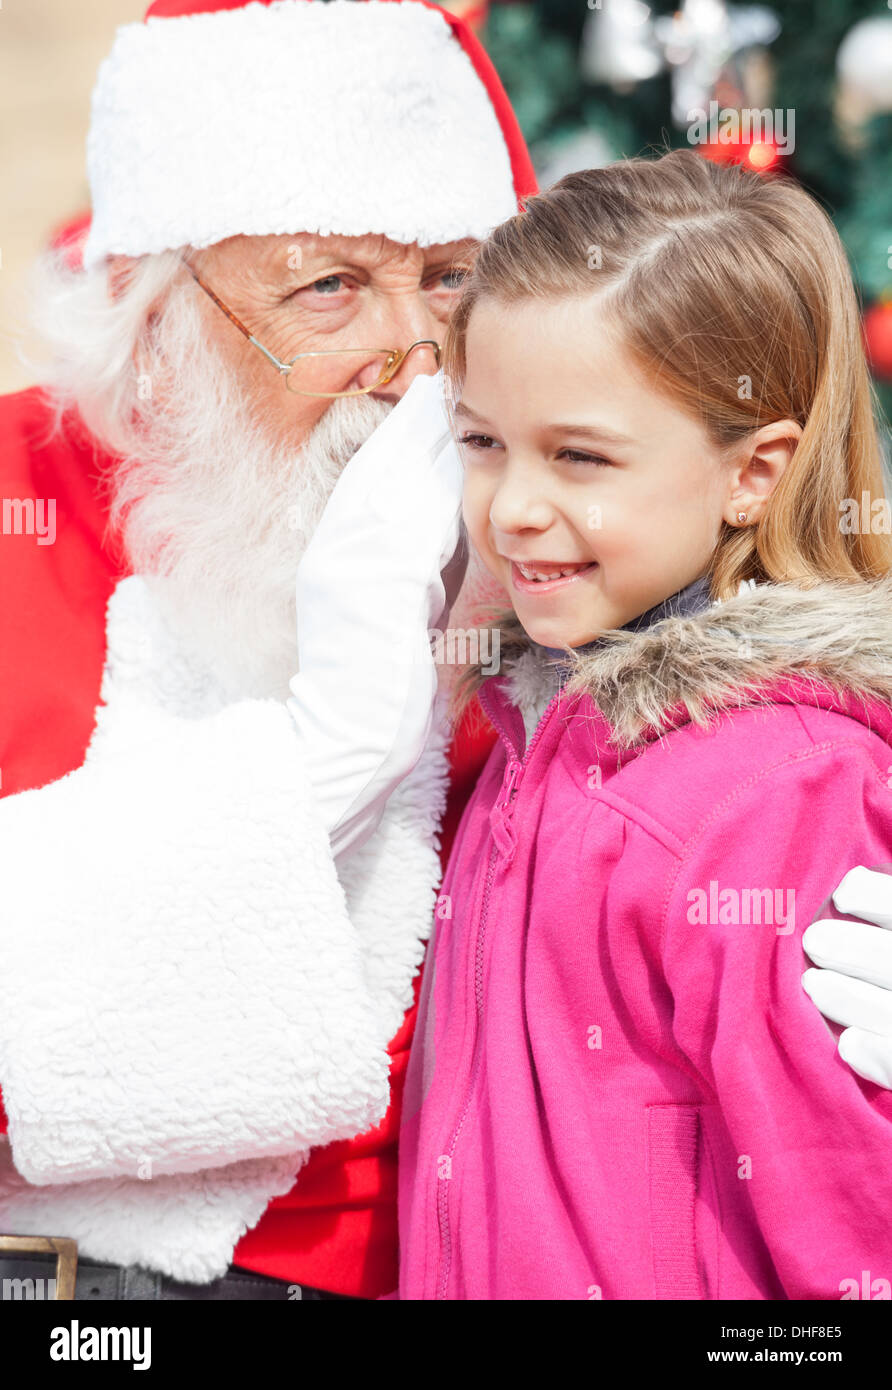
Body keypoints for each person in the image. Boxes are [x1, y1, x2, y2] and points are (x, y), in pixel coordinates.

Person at [0, 0, 535, 1301]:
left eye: (453, 277)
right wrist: (312, 770)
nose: (412, 364)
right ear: (151, 312)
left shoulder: (547, 523)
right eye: (330, 286)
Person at [396, 150, 892, 1299]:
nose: (513, 507)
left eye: (580, 455)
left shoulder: (776, 795)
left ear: (753, 472)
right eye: (481, 442)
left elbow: (850, 1233)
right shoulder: (528, 731)